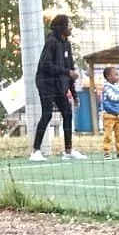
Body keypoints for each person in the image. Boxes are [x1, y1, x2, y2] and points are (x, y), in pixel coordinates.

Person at [30, 14, 82, 162]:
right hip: (46, 83)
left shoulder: (67, 44)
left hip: (59, 85)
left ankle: (68, 151)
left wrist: (74, 94)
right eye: (68, 25)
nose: (70, 28)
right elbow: (46, 65)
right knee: (47, 114)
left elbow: (70, 70)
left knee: (67, 113)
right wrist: (67, 72)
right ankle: (35, 151)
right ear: (62, 27)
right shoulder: (51, 41)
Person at [99, 66, 119, 158]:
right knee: (108, 135)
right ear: (108, 77)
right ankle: (106, 151)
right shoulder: (107, 87)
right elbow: (112, 97)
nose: (117, 76)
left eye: (117, 74)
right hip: (109, 115)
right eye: (115, 74)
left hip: (118, 114)